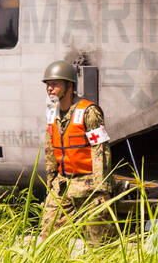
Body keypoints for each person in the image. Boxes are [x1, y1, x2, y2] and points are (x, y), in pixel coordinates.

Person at [39, 59, 115, 246]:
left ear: (69, 86)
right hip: (62, 185)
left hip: (89, 185)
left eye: (55, 84)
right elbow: (50, 148)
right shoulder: (52, 112)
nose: (50, 89)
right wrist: (51, 182)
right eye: (48, 85)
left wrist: (102, 189)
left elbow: (101, 150)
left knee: (98, 242)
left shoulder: (89, 112)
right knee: (50, 238)